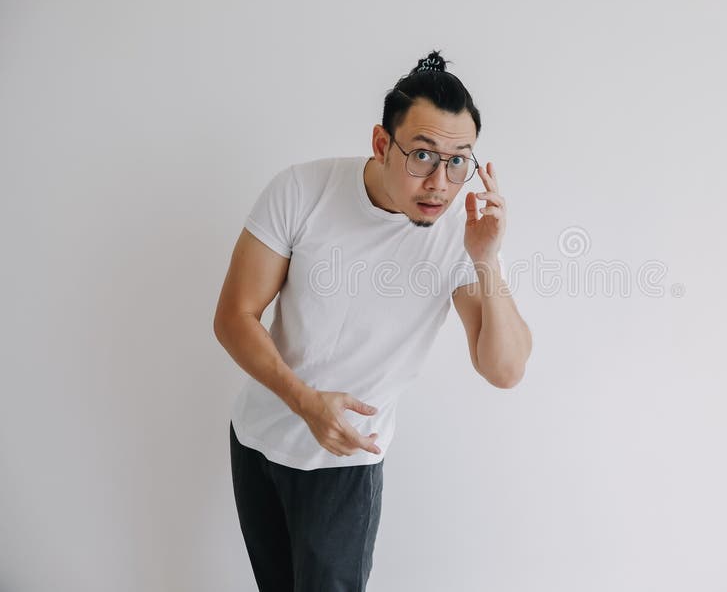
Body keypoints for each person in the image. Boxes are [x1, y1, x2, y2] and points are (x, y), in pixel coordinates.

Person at [212, 49, 533, 592]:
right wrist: (304, 401)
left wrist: (485, 258)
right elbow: (234, 316)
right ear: (383, 144)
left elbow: (504, 370)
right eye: (423, 155)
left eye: (459, 160)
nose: (440, 182)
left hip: (344, 465)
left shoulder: (463, 230)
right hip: (256, 439)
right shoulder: (301, 190)